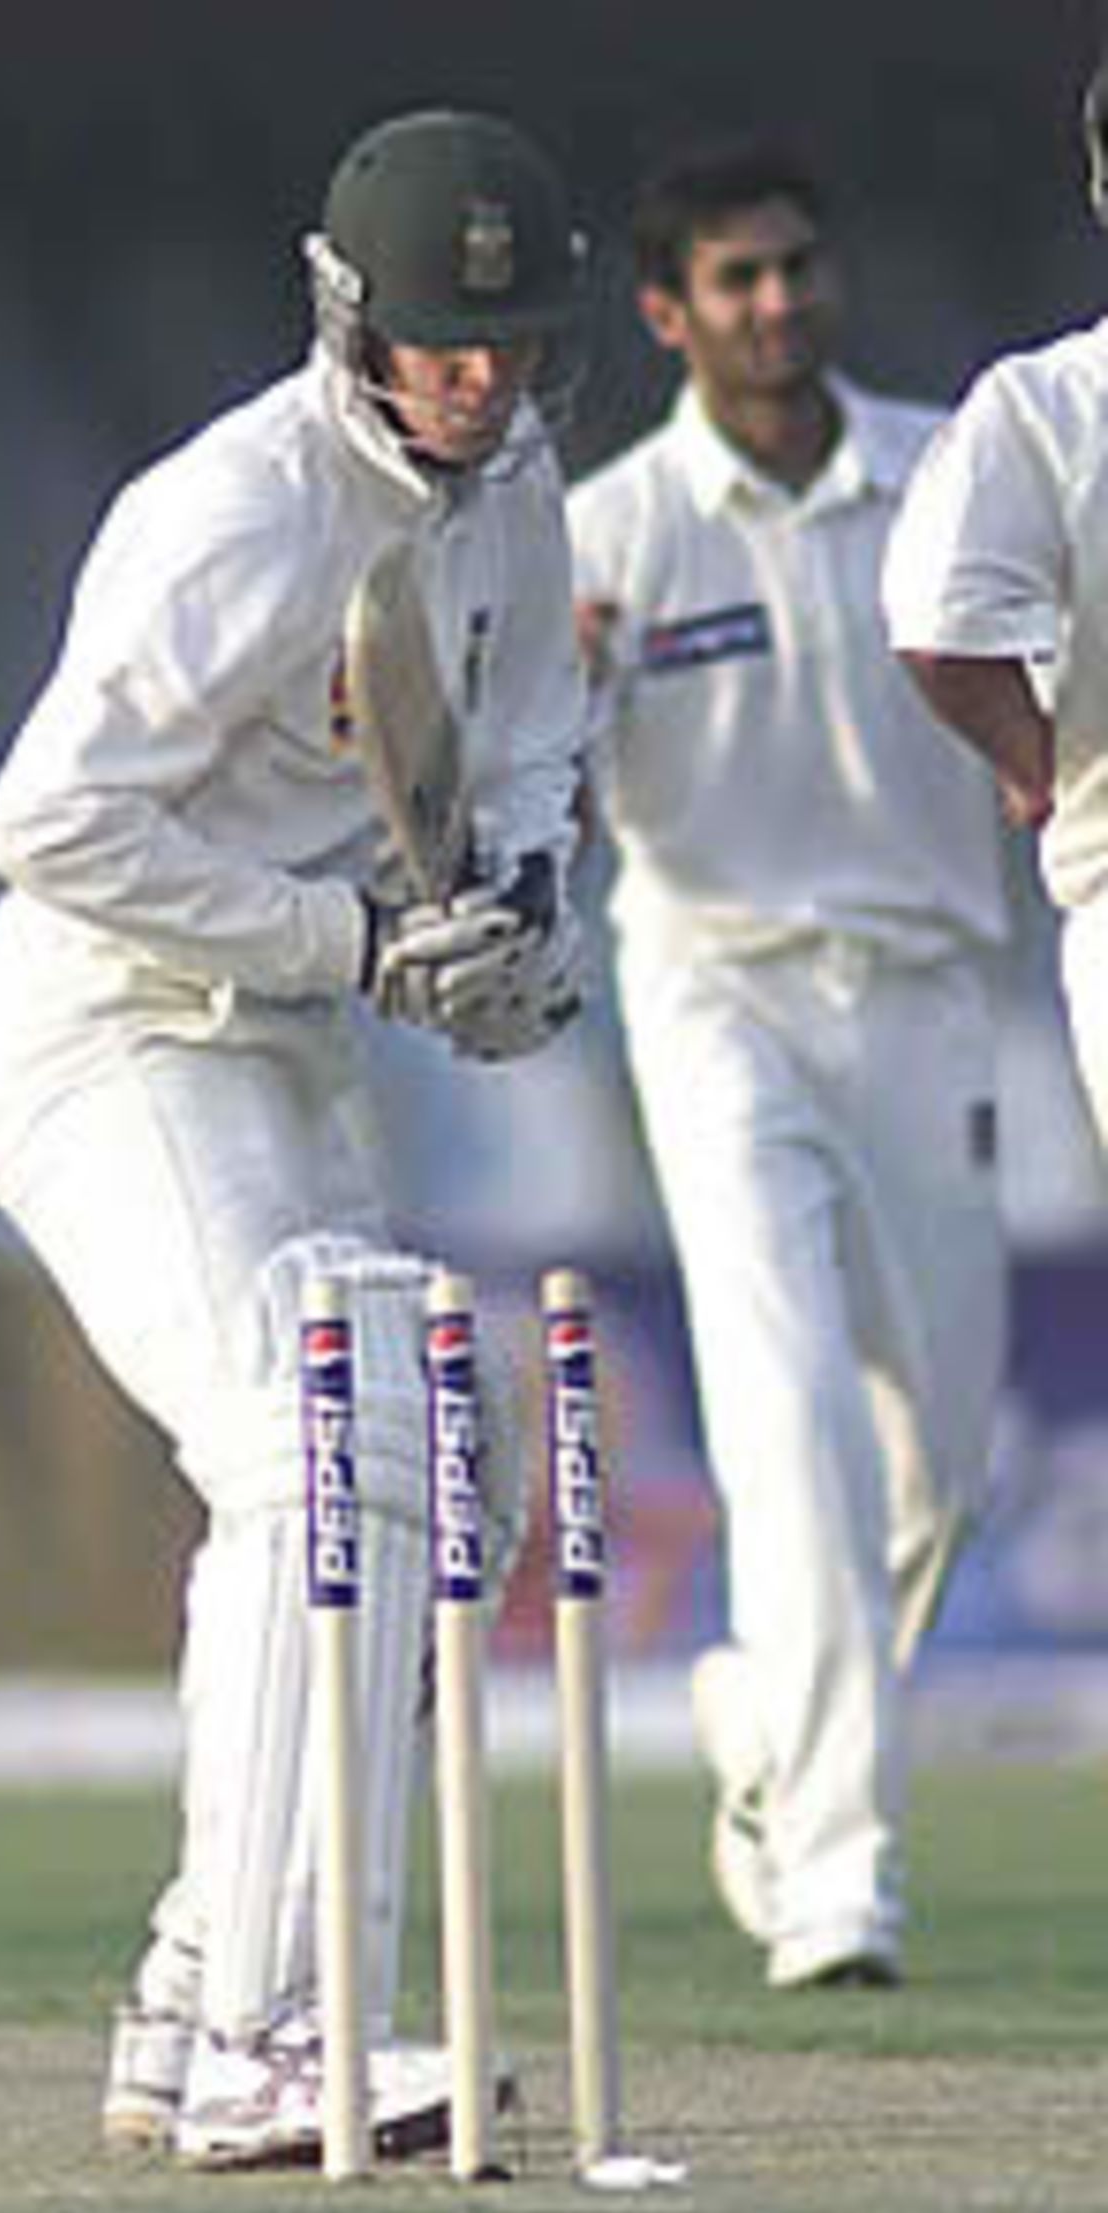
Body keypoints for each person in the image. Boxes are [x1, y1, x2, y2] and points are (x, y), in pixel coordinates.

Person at [0, 107, 586, 2167]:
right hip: (107, 1025)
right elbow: (41, 822)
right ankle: (266, 2023)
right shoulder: (230, 513)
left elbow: (540, 736)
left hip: (285, 1041)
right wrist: (354, 929)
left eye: (507, 341)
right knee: (328, 1443)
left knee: (438, 1462)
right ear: (347, 319)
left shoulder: (520, 476)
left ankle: (189, 1983)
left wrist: (520, 904)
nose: (476, 379)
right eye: (437, 342)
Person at [566, 141, 1010, 1989]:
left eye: (795, 269)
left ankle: (760, 1716)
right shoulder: (611, 534)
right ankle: (842, 1879)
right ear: (670, 315)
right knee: (791, 1427)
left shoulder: (943, 475)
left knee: (944, 1467)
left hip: (924, 997)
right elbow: (532, 766)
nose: (776, 304)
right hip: (716, 996)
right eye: (734, 281)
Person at [884, 61, 1108, 1153]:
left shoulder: (1054, 405)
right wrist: (1041, 769)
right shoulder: (1053, 407)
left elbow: (939, 623)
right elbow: (937, 621)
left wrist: (1039, 770)